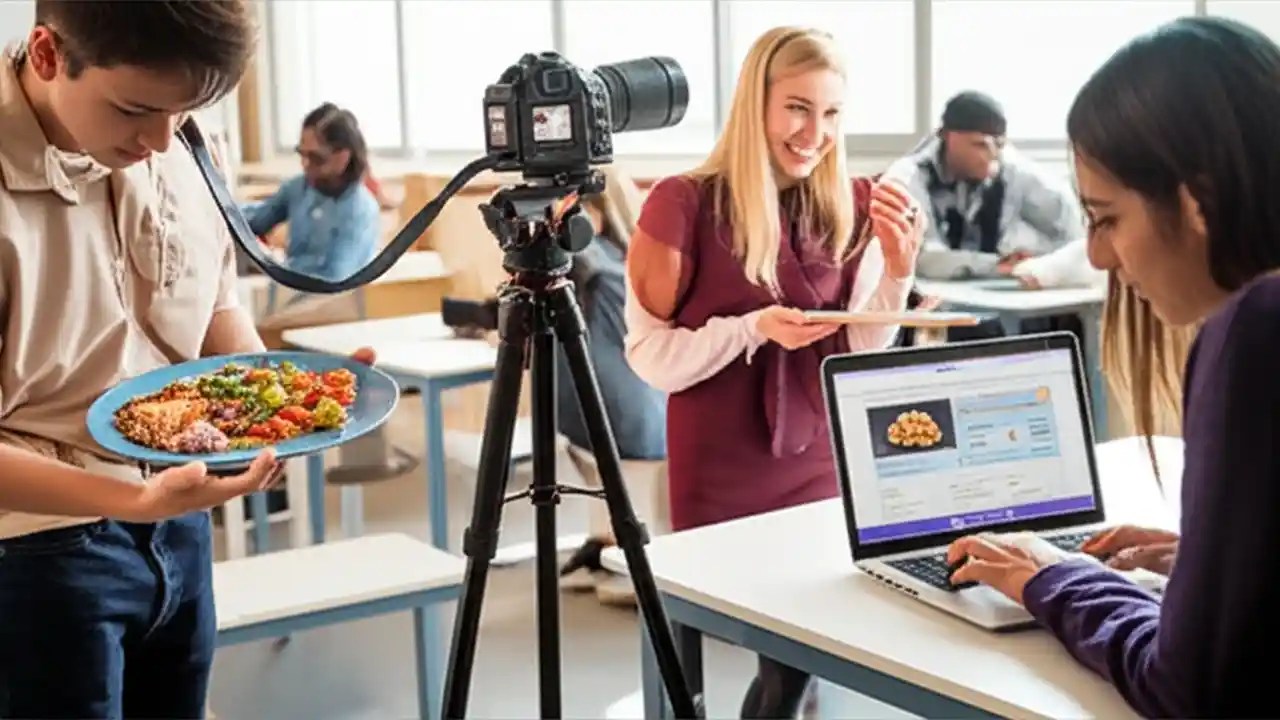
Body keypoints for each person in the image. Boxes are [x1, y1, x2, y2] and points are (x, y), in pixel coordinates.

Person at [0, 4, 372, 717]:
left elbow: (211, 302)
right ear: (47, 54)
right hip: (35, 549)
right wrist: (130, 502)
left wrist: (287, 395)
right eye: (136, 109)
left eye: (186, 110)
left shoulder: (179, 138)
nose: (162, 140)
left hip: (179, 523)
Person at [945, 17, 1280, 716]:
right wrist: (1218, 569)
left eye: (1105, 218)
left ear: (1197, 201)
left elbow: (1188, 691)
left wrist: (1054, 578)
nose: (1097, 256)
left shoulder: (1257, 327)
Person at [626, 26, 922, 718]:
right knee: (740, 641)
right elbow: (650, 359)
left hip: (816, 455)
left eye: (831, 113)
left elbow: (860, 349)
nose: (815, 134)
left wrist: (898, 274)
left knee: (800, 654)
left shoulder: (852, 203)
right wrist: (752, 328)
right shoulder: (682, 203)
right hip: (721, 457)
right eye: (797, 108)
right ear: (753, 102)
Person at [554, 166, 669, 607]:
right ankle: (604, 543)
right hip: (643, 404)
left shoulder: (593, 260)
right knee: (595, 462)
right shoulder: (633, 258)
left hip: (616, 412)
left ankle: (621, 553)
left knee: (592, 454)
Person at [885, 90, 1084, 281]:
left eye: (999, 145)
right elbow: (916, 256)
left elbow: (1073, 232)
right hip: (927, 293)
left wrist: (1045, 265)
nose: (992, 155)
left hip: (991, 290)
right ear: (946, 136)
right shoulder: (907, 179)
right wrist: (994, 265)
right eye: (979, 145)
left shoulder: (1013, 170)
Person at [242, 102, 380, 283]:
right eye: (302, 154)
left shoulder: (360, 210)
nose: (305, 165)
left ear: (343, 157)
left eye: (316, 158)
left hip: (337, 298)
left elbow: (334, 279)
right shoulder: (298, 188)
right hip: (289, 289)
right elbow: (254, 219)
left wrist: (275, 265)